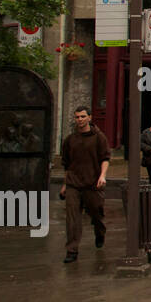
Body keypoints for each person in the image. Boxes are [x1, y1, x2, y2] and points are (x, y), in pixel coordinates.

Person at [60, 105, 110, 263]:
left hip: (92, 184)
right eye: (77, 117)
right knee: (72, 218)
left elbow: (105, 158)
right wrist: (64, 185)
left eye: (82, 116)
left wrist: (102, 176)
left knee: (96, 213)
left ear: (89, 117)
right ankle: (72, 250)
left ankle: (100, 232)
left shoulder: (99, 137)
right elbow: (67, 165)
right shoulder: (70, 140)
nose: (80, 120)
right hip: (73, 184)